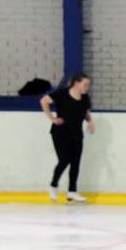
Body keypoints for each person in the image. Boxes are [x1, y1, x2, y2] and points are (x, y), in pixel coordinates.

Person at [41, 72, 94, 203]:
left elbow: (85, 112)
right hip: (60, 133)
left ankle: (72, 192)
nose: (87, 87)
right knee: (65, 160)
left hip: (76, 134)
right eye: (85, 84)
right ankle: (53, 186)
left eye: (88, 85)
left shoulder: (85, 97)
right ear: (76, 83)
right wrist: (52, 118)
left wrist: (91, 121)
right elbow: (44, 101)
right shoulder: (62, 93)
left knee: (75, 162)